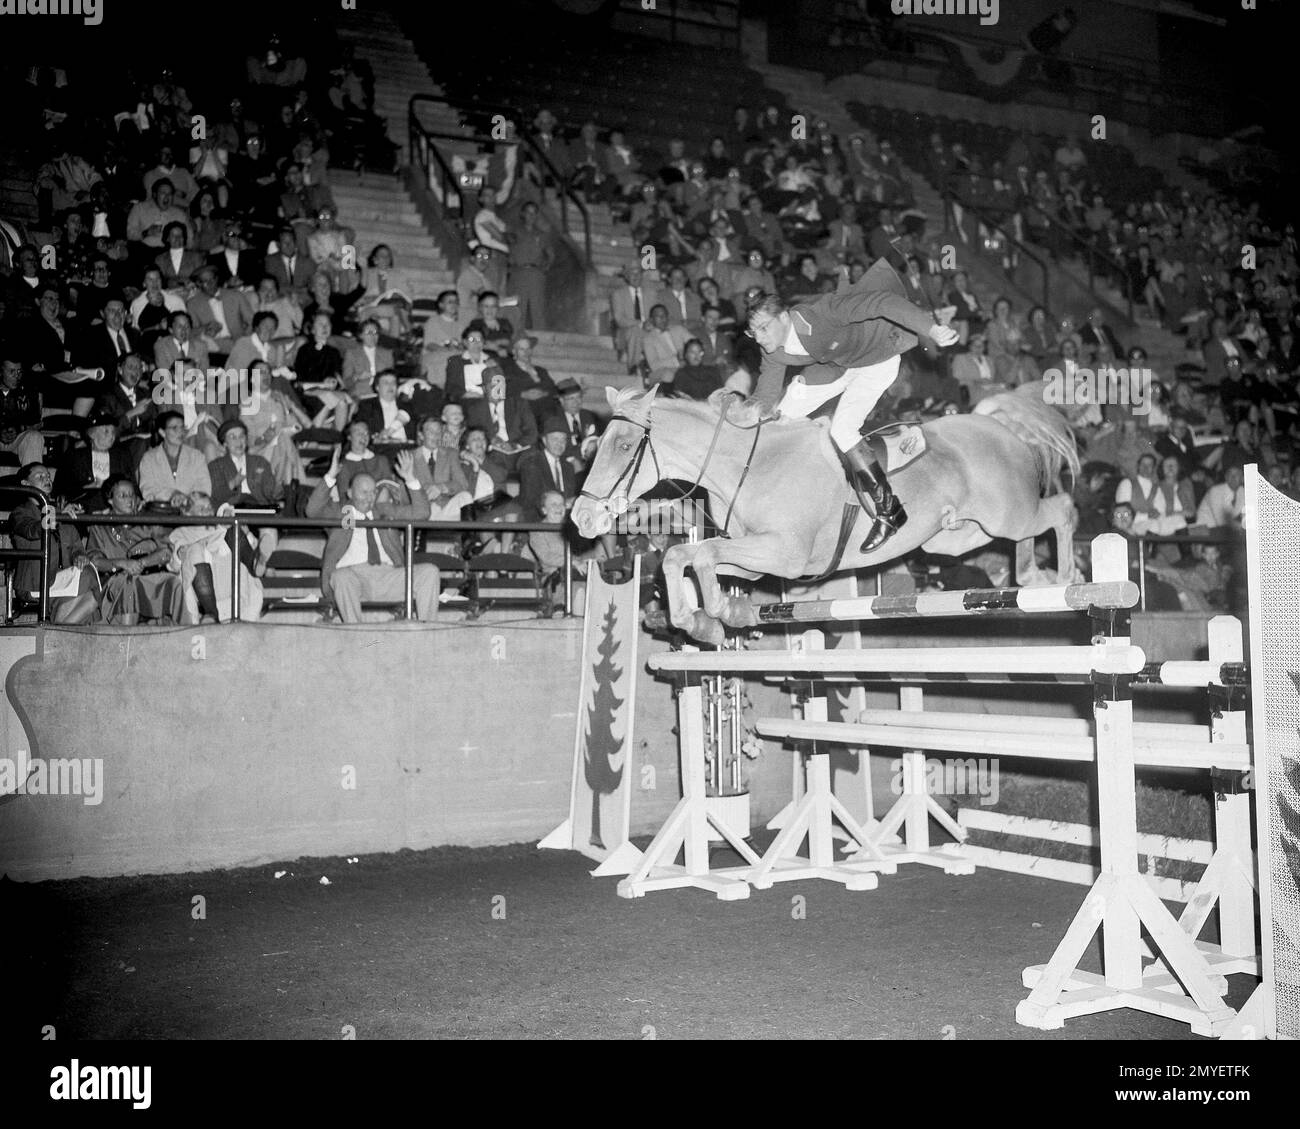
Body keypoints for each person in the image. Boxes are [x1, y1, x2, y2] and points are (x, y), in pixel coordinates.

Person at [750, 258, 957, 551]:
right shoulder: (771, 348)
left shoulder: (823, 312)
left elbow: (883, 302)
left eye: (762, 329)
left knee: (843, 430)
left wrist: (931, 329)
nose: (759, 338)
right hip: (837, 367)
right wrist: (741, 415)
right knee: (780, 419)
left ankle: (889, 511)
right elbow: (765, 397)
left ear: (784, 317)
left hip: (876, 357)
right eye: (753, 332)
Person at [306, 450, 441, 623]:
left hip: (389, 576)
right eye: (363, 492)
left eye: (373, 493)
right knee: (341, 577)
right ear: (349, 493)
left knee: (430, 571)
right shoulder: (340, 512)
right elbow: (312, 511)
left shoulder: (383, 510)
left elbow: (422, 512)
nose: (369, 499)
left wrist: (410, 479)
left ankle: (428, 632)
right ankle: (356, 636)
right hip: (353, 577)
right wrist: (331, 476)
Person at [7, 463, 100, 624]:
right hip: (35, 583)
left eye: (48, 476)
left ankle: (56, 632)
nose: (47, 479)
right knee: (88, 590)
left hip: (62, 580)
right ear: (26, 484)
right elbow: (31, 530)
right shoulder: (20, 512)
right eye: (40, 476)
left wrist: (79, 556)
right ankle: (59, 630)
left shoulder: (60, 511)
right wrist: (55, 515)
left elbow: (77, 547)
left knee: (90, 595)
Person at [86, 475, 185, 625]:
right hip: (114, 583)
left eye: (132, 495)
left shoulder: (148, 522)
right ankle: (127, 640)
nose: (130, 499)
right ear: (110, 500)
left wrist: (143, 562)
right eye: (123, 496)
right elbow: (95, 561)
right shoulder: (100, 526)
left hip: (147, 578)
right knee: (128, 584)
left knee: (172, 582)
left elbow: (166, 552)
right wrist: (122, 563)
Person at [138, 411, 213, 506]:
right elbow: (147, 489)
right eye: (174, 428)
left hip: (190, 512)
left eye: (182, 427)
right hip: (160, 513)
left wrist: (186, 500)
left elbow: (204, 488)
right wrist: (172, 494)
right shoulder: (149, 458)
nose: (180, 432)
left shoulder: (196, 456)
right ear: (162, 432)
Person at [411, 416, 474, 521]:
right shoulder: (409, 457)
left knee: (465, 496)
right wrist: (426, 492)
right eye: (431, 432)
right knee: (431, 510)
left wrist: (442, 487)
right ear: (421, 435)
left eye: (439, 432)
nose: (435, 436)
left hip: (447, 508)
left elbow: (462, 484)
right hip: (423, 509)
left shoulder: (451, 454)